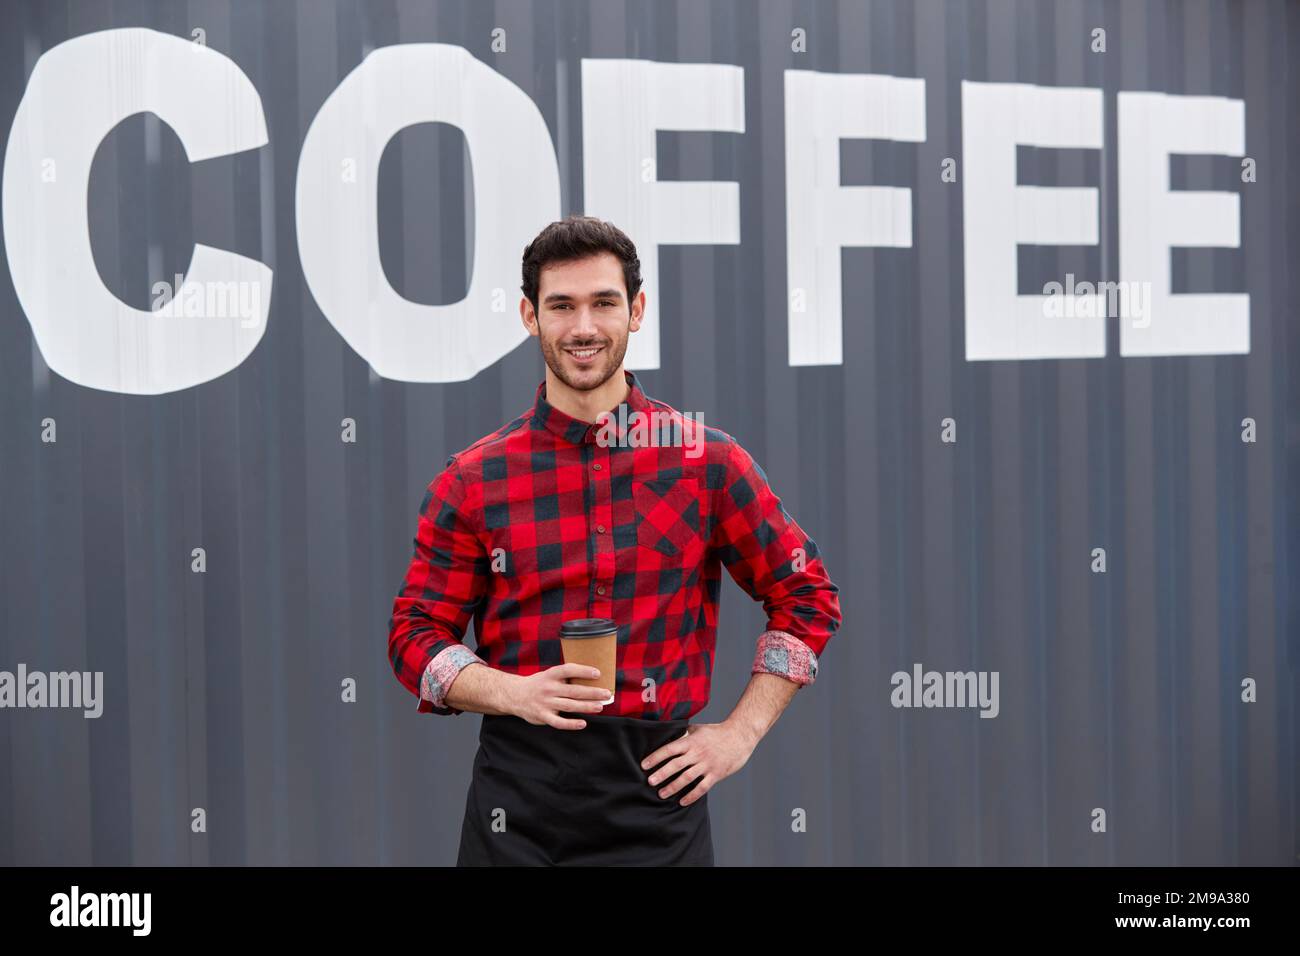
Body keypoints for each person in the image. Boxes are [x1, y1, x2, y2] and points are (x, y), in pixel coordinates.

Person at [387, 215, 842, 865]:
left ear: (637, 311)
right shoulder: (474, 480)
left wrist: (740, 734)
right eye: (561, 305)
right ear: (528, 315)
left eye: (603, 303)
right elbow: (414, 634)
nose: (582, 327)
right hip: (514, 804)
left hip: (658, 806)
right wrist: (514, 692)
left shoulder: (705, 462)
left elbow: (806, 596)